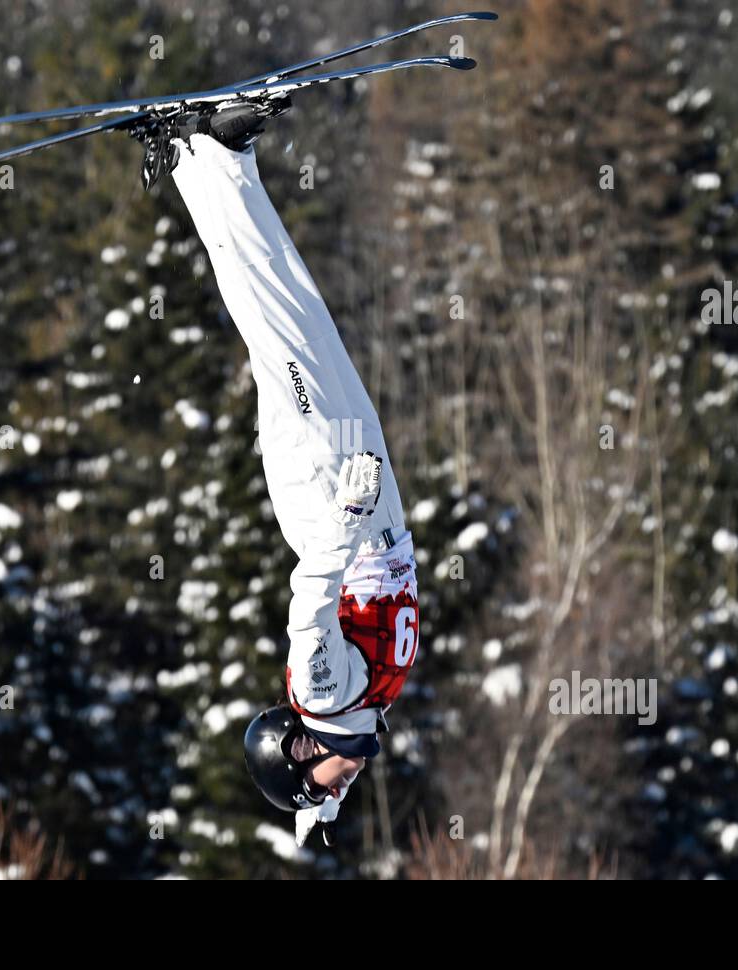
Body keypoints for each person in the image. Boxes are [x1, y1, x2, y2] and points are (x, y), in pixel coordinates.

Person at [158, 106, 420, 846]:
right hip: (371, 509)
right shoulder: (362, 711)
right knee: (303, 314)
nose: (348, 785)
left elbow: (311, 596)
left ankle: (195, 158)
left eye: (328, 790)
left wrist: (344, 514)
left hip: (329, 497)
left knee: (273, 325)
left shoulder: (323, 696)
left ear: (298, 758)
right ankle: (227, 162)